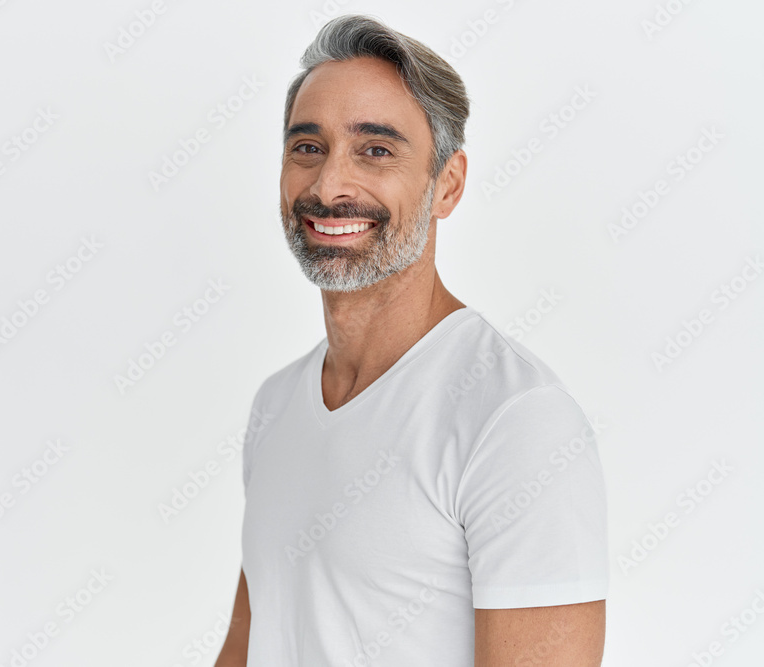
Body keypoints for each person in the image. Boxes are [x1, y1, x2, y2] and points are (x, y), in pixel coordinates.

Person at [215, 14, 608, 666]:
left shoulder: (517, 421)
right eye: (307, 147)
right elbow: (248, 644)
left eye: (376, 149)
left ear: (446, 185)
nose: (328, 184)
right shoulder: (277, 404)